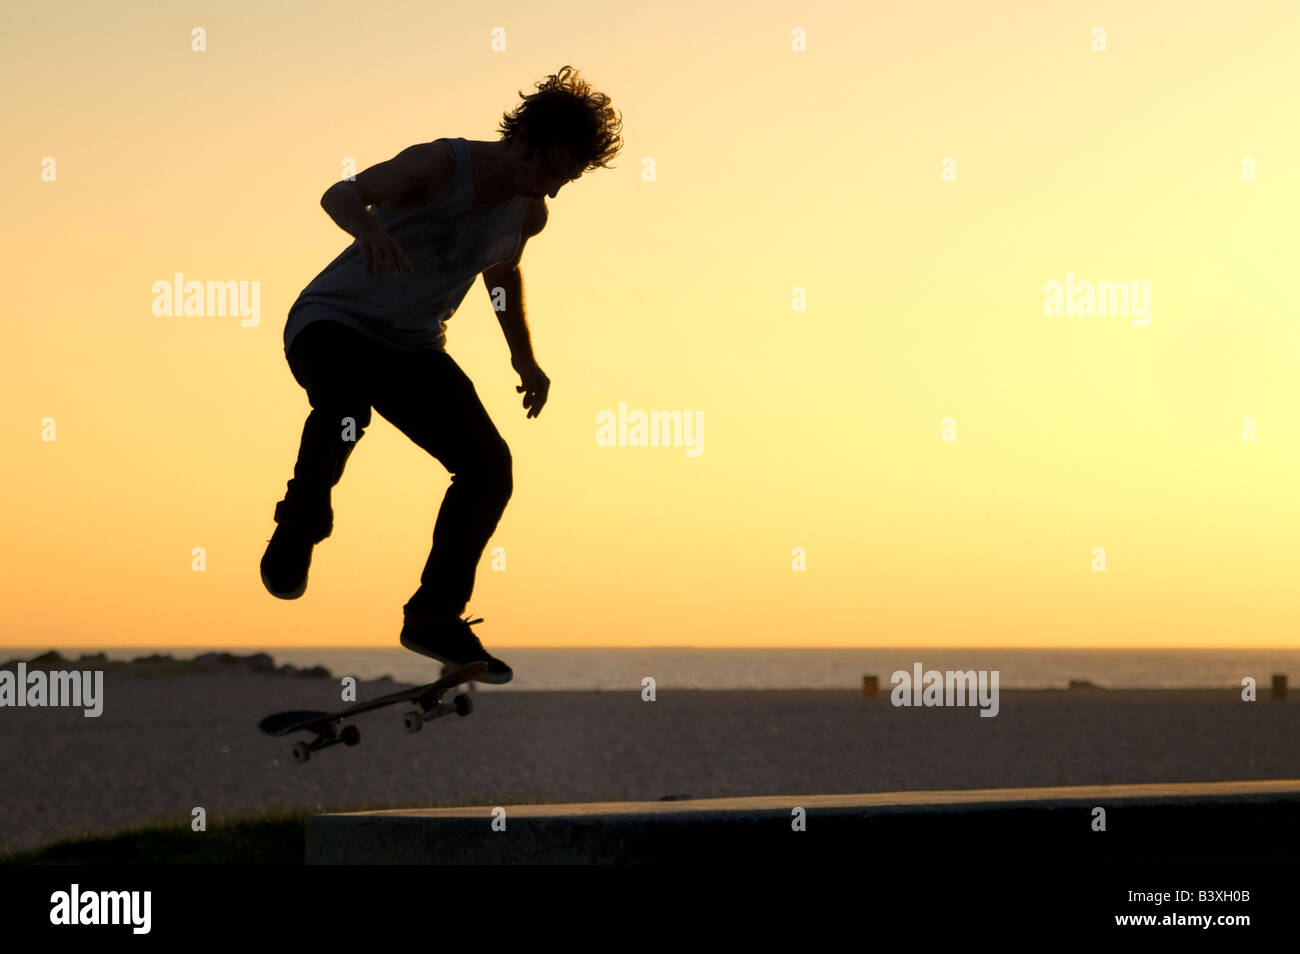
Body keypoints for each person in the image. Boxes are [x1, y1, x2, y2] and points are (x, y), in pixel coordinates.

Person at [261, 66, 623, 683]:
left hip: (410, 347)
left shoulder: (528, 214)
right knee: (346, 411)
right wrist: (370, 230)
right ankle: (300, 523)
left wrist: (523, 356)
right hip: (333, 321)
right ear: (525, 139)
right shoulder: (441, 165)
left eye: (566, 181)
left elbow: (501, 275)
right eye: (550, 171)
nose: (554, 191)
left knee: (488, 468)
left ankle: (434, 615)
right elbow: (340, 194)